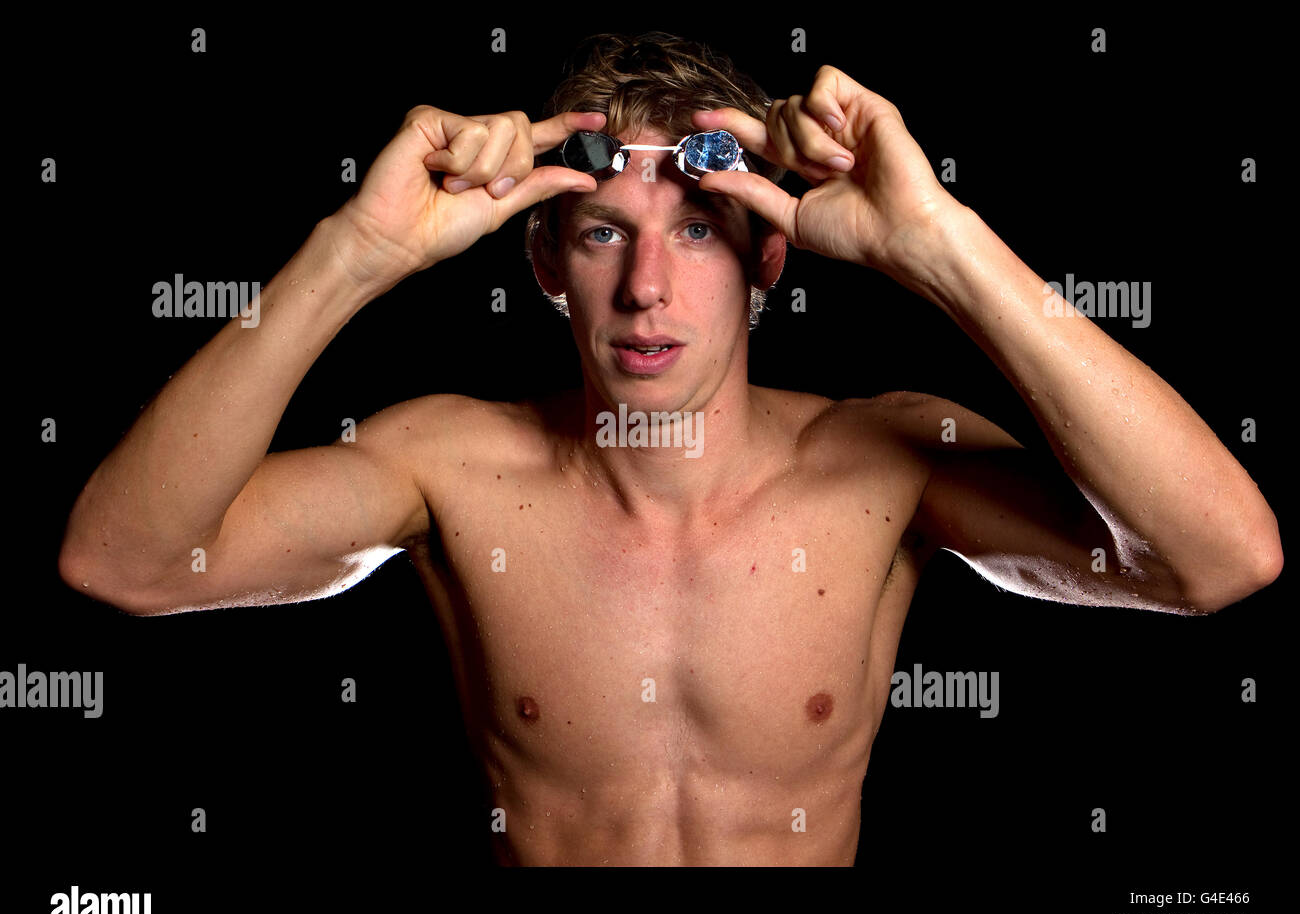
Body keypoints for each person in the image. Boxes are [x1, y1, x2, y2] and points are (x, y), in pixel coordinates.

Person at [57, 32, 1282, 865]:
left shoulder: (887, 459)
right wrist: (353, 255)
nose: (647, 287)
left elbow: (1217, 558)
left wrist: (941, 245)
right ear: (545, 262)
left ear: (767, 254)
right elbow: (129, 560)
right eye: (600, 234)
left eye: (698, 230)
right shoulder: (445, 466)